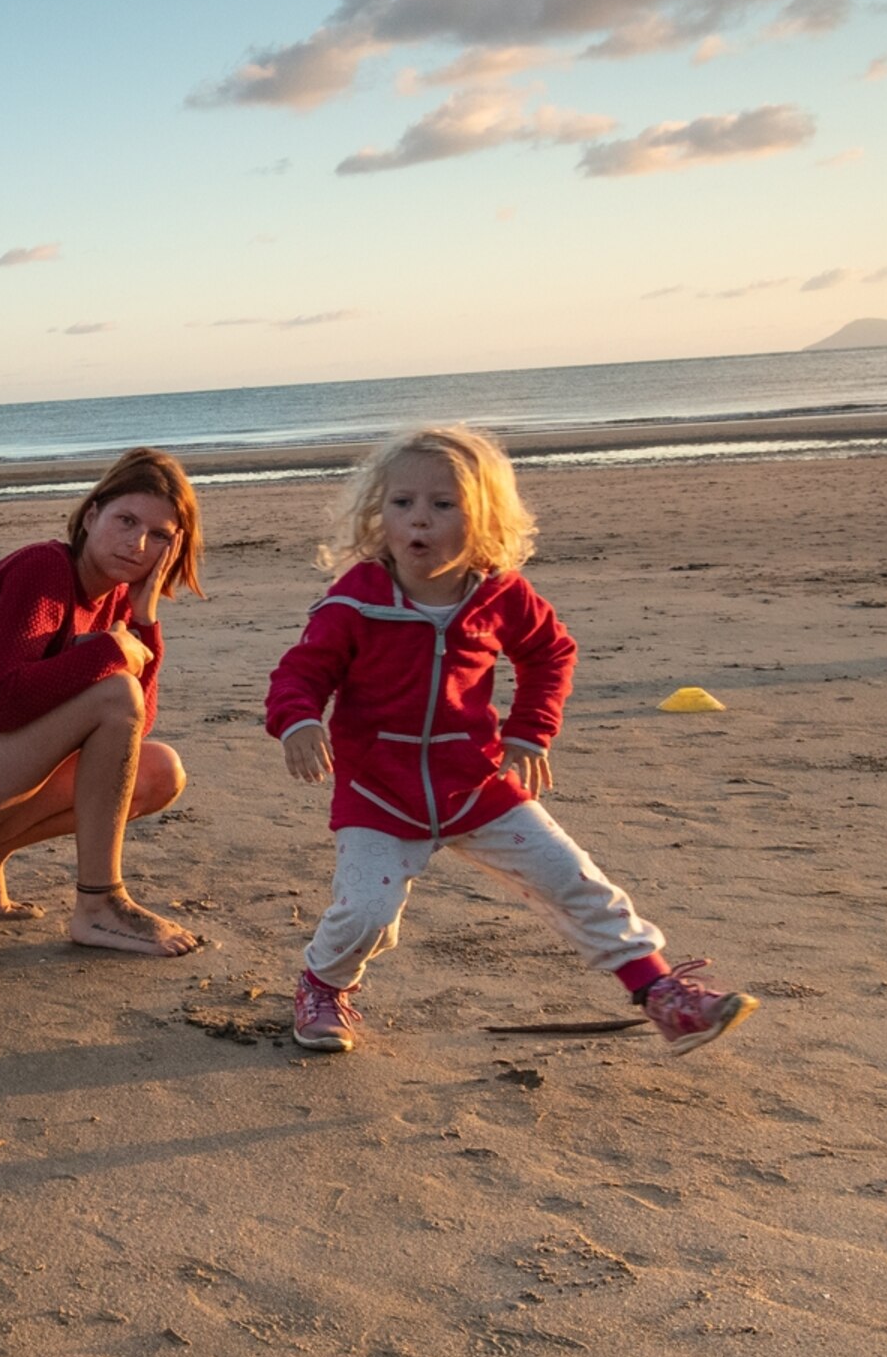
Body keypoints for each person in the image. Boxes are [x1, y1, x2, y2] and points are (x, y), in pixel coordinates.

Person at [264, 426, 758, 1054]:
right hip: (378, 794)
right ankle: (323, 985)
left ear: (482, 518)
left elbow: (550, 653)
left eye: (444, 506)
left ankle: (663, 995)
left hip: (477, 782)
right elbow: (301, 672)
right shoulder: (355, 603)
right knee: (368, 914)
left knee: (571, 877)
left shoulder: (500, 594)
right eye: (403, 503)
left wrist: (530, 731)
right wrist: (298, 721)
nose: (420, 520)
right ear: (378, 513)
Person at [0, 448, 207, 957]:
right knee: (115, 692)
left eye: (159, 536)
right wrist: (113, 651)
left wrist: (144, 620)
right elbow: (4, 702)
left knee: (160, 772)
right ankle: (100, 903)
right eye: (126, 520)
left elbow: (134, 728)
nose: (137, 544)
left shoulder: (114, 598)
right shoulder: (43, 569)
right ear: (92, 515)